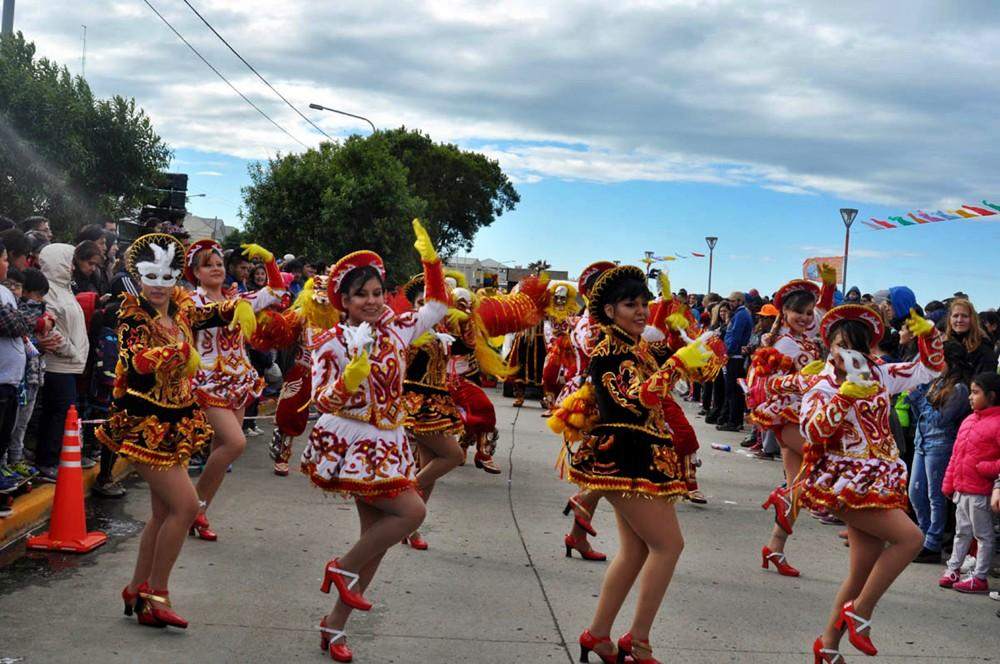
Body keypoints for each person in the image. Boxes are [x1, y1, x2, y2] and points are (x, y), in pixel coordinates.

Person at [300, 220, 446, 662]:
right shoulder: (330, 342)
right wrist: (347, 381)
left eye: (377, 293)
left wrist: (432, 262)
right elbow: (319, 401)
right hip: (352, 440)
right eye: (361, 294)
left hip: (390, 442)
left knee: (377, 540)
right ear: (343, 301)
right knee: (412, 511)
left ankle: (334, 626)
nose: (371, 301)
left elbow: (438, 306)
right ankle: (341, 567)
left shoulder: (398, 329)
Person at [562, 264, 718, 664]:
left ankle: (598, 635)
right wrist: (677, 365)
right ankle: (639, 641)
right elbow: (634, 401)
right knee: (669, 546)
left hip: (641, 457)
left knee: (634, 551)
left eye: (643, 303)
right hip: (625, 458)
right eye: (630, 304)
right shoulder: (608, 351)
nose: (640, 311)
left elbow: (694, 370)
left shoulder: (637, 347)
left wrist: (699, 353)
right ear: (610, 311)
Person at [95, 232, 247, 629]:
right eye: (151, 277)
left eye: (167, 277)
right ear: (137, 276)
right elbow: (137, 361)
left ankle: (136, 587)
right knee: (185, 507)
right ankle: (156, 594)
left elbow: (214, 314)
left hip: (175, 424)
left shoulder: (179, 312)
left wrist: (247, 307)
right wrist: (179, 353)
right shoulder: (132, 315)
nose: (159, 286)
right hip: (143, 426)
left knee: (163, 515)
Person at [801, 305, 942, 663]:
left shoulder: (879, 372)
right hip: (845, 482)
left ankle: (828, 646)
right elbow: (813, 431)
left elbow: (929, 369)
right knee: (911, 539)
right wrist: (845, 394)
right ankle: (861, 613)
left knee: (861, 570)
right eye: (840, 345)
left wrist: (928, 335)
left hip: (879, 479)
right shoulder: (821, 384)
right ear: (828, 346)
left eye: (857, 347)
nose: (848, 354)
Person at [184, 239, 280, 540]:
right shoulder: (191, 302)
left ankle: (198, 512)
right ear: (195, 273)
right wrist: (233, 306)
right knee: (235, 443)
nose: (215, 268)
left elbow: (276, 291)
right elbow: (204, 319)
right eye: (207, 265)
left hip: (239, 381)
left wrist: (270, 259)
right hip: (208, 381)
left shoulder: (241, 298)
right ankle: (190, 507)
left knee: (222, 450)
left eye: (218, 264)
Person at [747, 270, 834, 577]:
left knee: (796, 487)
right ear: (785, 312)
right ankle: (786, 499)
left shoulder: (804, 337)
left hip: (802, 418)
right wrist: (803, 380)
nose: (806, 317)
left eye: (808, 312)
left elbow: (824, 313)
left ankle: (775, 547)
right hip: (790, 419)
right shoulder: (783, 344)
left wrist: (829, 286)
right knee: (828, 461)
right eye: (799, 311)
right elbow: (768, 385)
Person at [907, 342, 971, 564]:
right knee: (915, 493)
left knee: (935, 497)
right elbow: (922, 415)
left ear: (951, 362)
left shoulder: (960, 389)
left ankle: (932, 543)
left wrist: (916, 397)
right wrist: (916, 397)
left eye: (938, 359)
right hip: (922, 442)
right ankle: (921, 537)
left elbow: (940, 420)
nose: (933, 364)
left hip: (940, 445)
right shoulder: (937, 382)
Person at [938, 372, 1000, 593]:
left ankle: (980, 576)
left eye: (976, 393)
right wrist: (949, 482)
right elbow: (956, 455)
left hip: (981, 490)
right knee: (961, 531)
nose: (970, 397)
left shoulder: (997, 422)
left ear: (991, 396)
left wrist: (986, 469)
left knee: (983, 535)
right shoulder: (969, 420)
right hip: (962, 489)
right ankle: (954, 568)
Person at [34, 244, 90, 483]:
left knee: (62, 414)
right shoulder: (49, 292)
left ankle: (58, 456)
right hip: (58, 365)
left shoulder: (65, 289)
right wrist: (72, 352)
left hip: (70, 364)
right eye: (69, 261)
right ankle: (47, 461)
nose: (72, 266)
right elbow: (51, 332)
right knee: (58, 414)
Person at [718, 291, 752, 432]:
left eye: (732, 301)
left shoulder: (741, 315)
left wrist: (728, 352)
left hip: (735, 357)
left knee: (733, 392)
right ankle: (733, 420)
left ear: (739, 301)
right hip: (733, 356)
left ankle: (734, 421)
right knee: (732, 391)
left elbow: (736, 337)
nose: (730, 303)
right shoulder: (739, 314)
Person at [945, 298, 997, 376]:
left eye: (964, 316)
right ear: (950, 319)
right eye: (955, 316)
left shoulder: (984, 350)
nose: (959, 320)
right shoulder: (943, 345)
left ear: (972, 319)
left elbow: (982, 384)